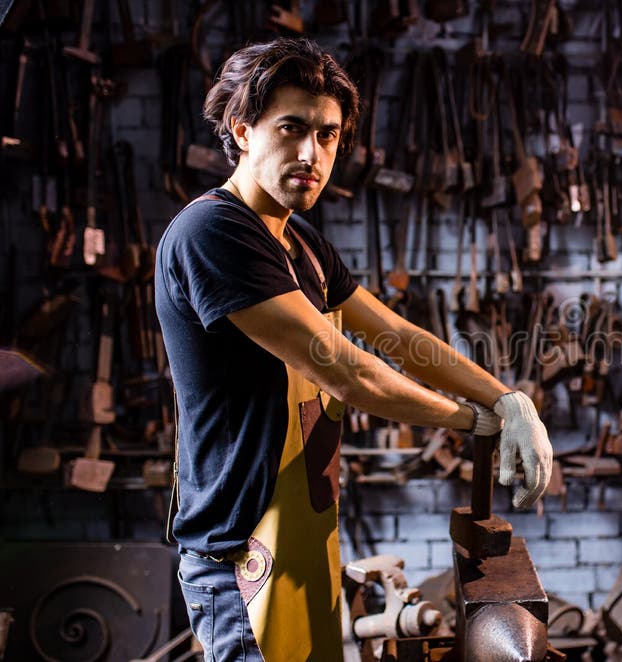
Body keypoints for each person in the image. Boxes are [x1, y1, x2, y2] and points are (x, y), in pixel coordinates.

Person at [154, 37, 553, 662]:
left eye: (328, 134)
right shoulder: (213, 233)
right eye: (291, 128)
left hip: (305, 537)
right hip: (239, 558)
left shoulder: (300, 241)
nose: (311, 153)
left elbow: (398, 338)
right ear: (242, 129)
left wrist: (507, 398)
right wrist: (472, 421)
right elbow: (348, 371)